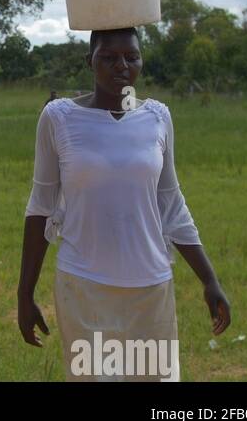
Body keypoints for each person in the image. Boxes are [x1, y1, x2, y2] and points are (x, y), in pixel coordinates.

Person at [17, 27, 231, 381]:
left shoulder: (157, 118)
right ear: (90, 61)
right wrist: (25, 293)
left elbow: (171, 203)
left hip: (151, 287)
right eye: (109, 57)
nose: (122, 66)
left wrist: (209, 279)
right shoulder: (59, 118)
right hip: (83, 287)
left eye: (131, 57)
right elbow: (40, 205)